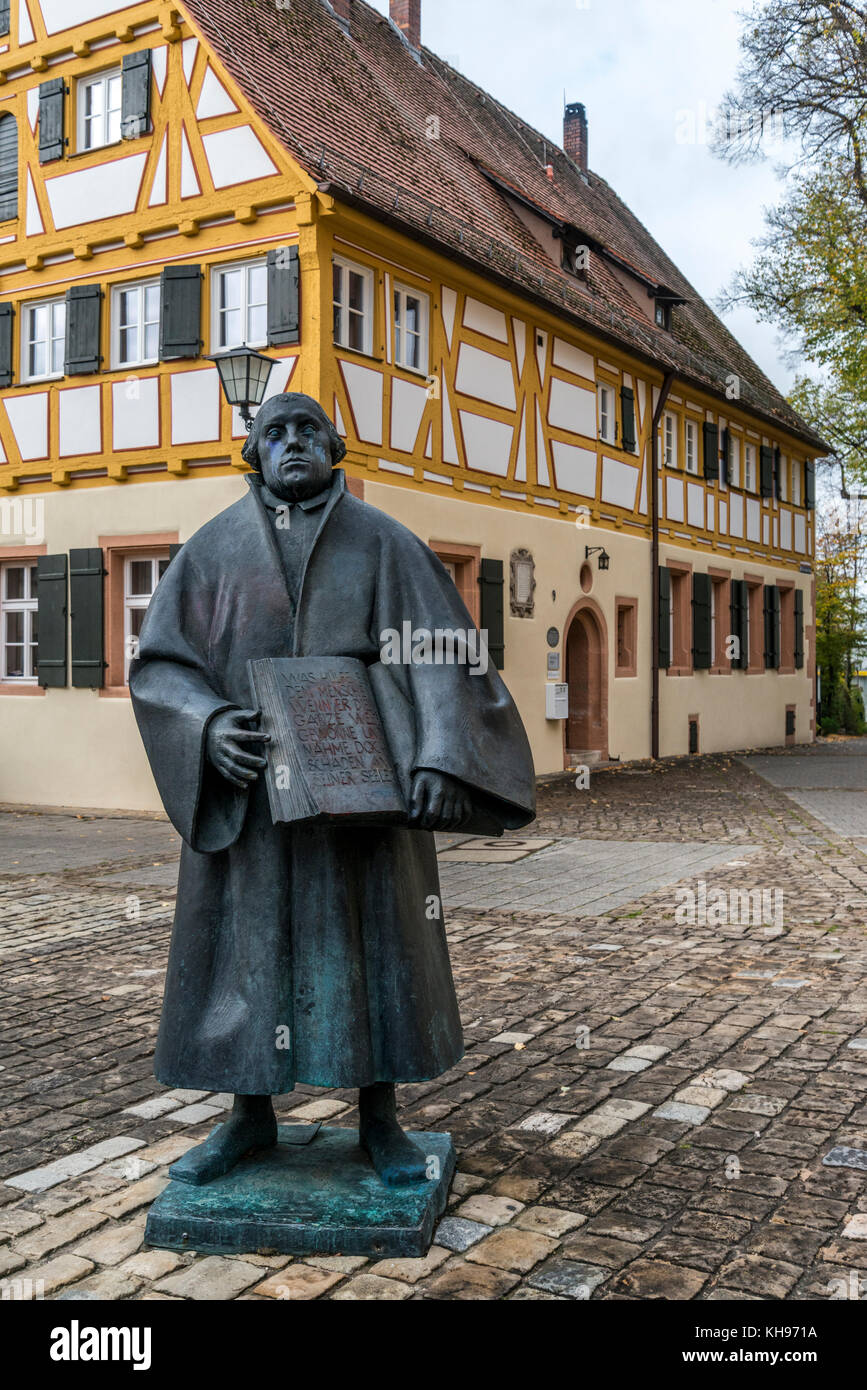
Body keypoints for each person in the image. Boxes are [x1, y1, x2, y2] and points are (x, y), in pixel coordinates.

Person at [130, 393, 535, 1186]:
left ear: (335, 446)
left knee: (375, 948)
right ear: (252, 454)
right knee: (246, 952)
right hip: (250, 801)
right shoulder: (210, 552)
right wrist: (207, 727)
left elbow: (443, 651)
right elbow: (161, 666)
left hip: (367, 791)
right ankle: (246, 1117)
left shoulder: (385, 543)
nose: (290, 444)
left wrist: (441, 757)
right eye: (273, 432)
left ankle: (379, 1123)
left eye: (306, 429)